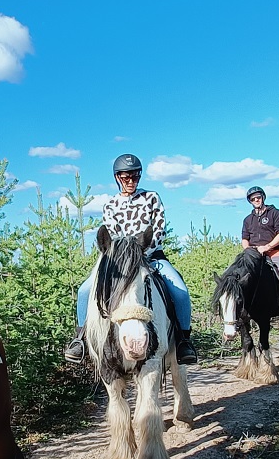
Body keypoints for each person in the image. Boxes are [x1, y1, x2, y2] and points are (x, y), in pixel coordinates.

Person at [64, 153, 197, 365]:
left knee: (180, 292)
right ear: (117, 178)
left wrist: (141, 254)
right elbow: (112, 236)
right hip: (119, 263)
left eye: (135, 176)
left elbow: (158, 230)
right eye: (126, 177)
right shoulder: (111, 205)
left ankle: (183, 341)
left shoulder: (152, 198)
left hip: (151, 257)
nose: (131, 181)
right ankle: (80, 339)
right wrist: (126, 258)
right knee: (84, 290)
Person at [240, 186, 279, 321]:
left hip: (273, 251)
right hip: (253, 254)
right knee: (238, 276)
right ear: (250, 201)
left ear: (263, 197)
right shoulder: (247, 220)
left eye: (258, 197)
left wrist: (267, 246)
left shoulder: (275, 213)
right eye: (253, 199)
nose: (256, 200)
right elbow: (245, 239)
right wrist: (248, 250)